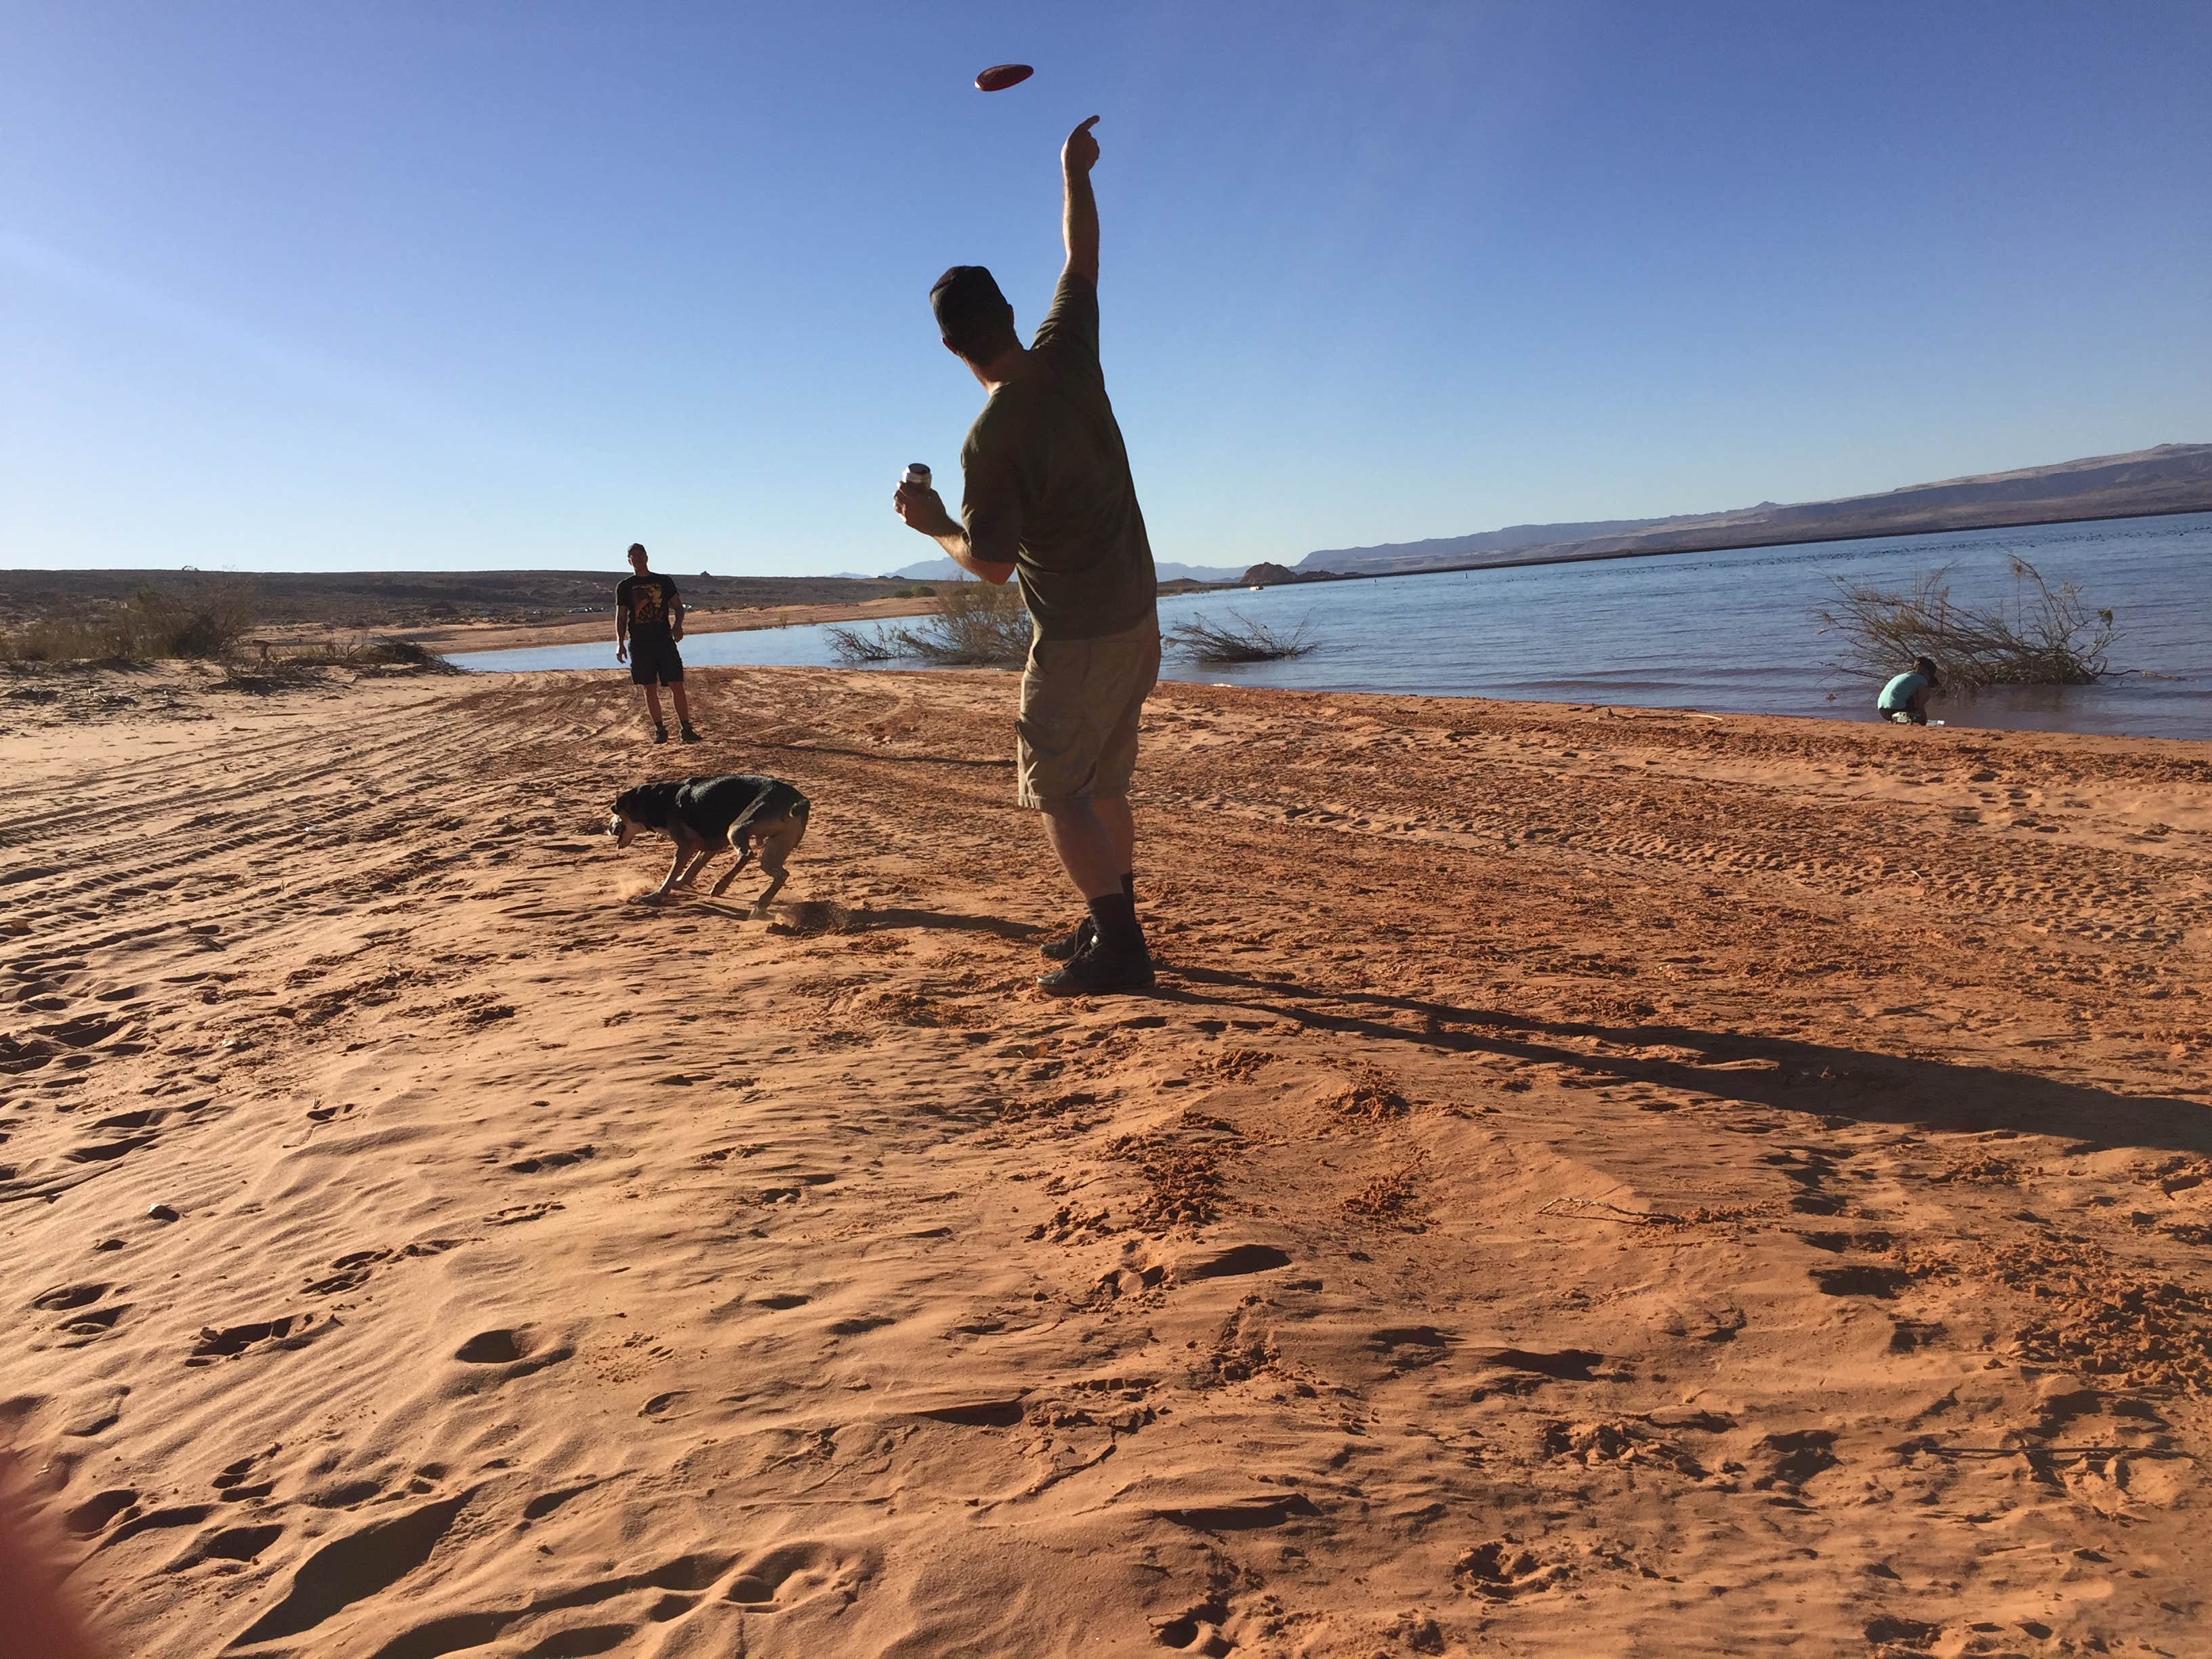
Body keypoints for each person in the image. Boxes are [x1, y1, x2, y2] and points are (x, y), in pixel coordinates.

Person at [893, 115, 1160, 996]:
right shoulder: (1068, 350)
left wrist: (932, 524)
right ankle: (1108, 918)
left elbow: (995, 565)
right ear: (1010, 313)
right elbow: (1082, 258)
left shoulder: (990, 440)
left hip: (1079, 637)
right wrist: (1073, 169)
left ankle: (1121, 952)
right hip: (1138, 618)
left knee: (1059, 792)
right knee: (1104, 783)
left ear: (946, 348)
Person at [615, 543, 699, 744]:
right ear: (629, 561)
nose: (637, 559)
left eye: (640, 555)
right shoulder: (624, 586)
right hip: (640, 644)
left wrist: (678, 626)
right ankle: (660, 730)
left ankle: (686, 729)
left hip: (664, 641)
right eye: (633, 556)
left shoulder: (663, 582)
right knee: (648, 687)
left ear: (647, 557)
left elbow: (678, 608)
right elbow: (621, 617)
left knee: (676, 683)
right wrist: (619, 643)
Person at [1878, 656, 1942, 725]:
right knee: (1920, 714)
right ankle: (1901, 719)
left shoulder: (1902, 676)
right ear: (1926, 672)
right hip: (1896, 709)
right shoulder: (1921, 680)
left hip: (1883, 711)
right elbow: (1920, 705)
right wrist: (1923, 720)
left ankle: (1898, 719)